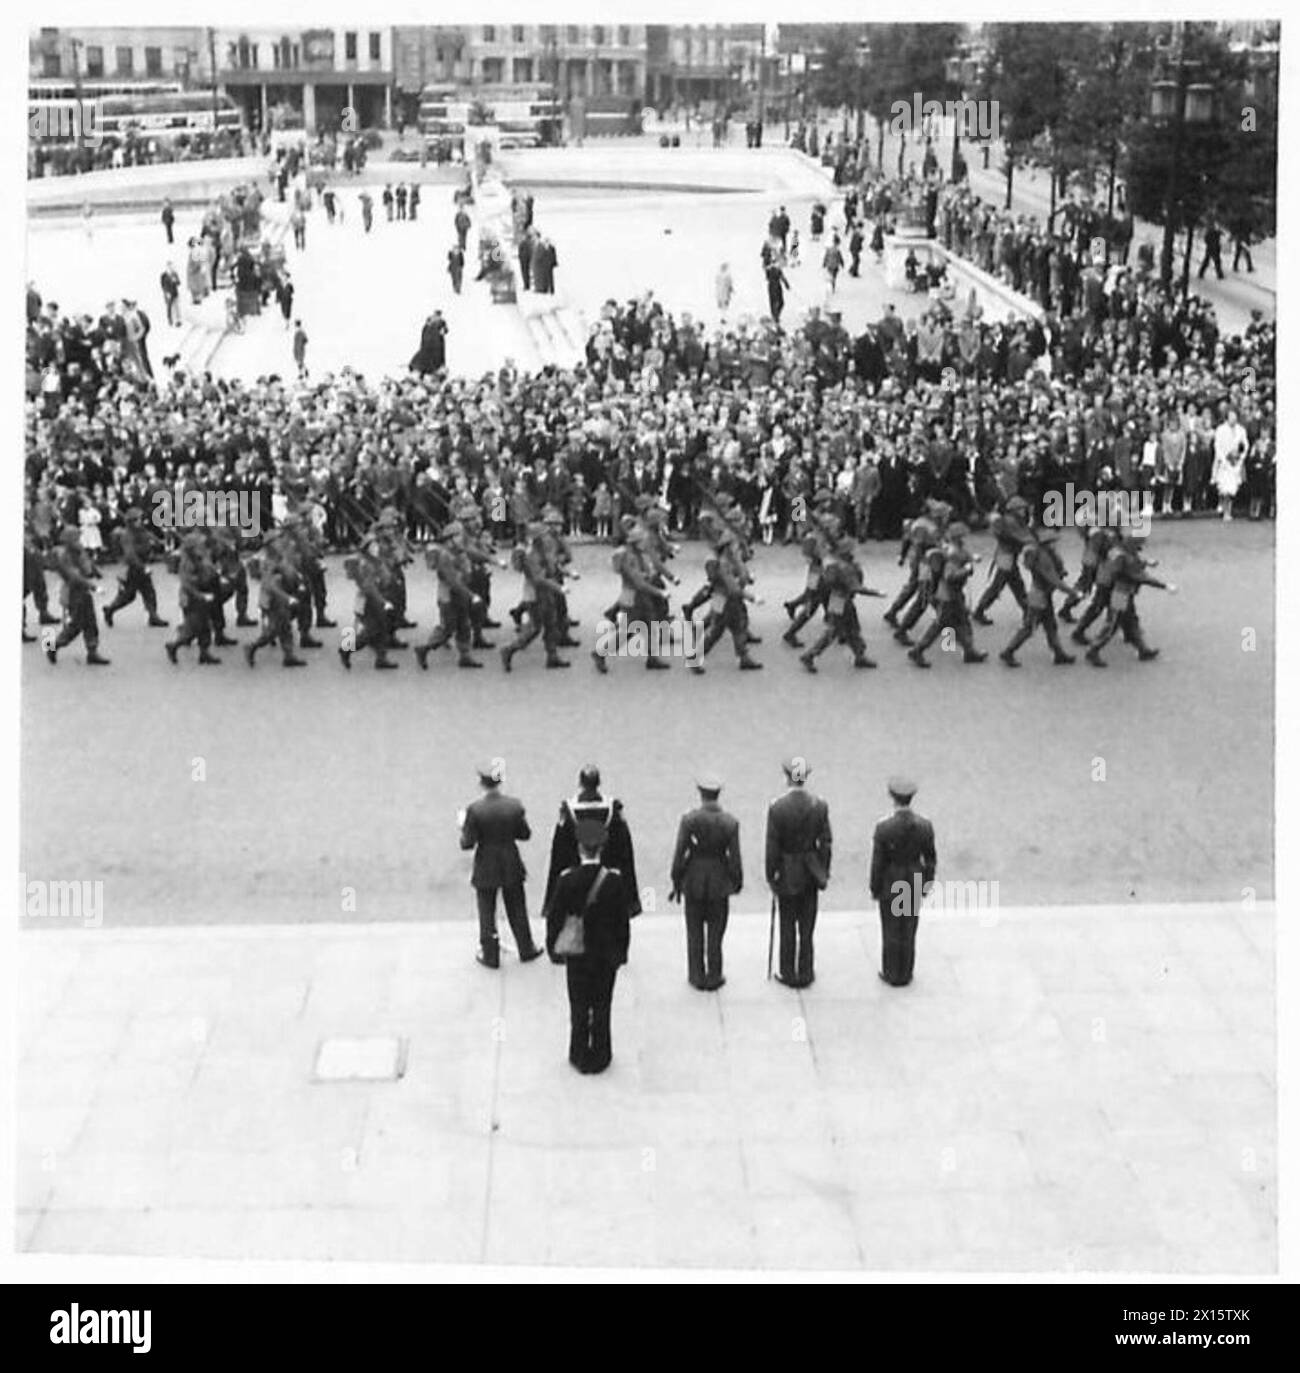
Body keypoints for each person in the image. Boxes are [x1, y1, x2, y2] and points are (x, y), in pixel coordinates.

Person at [546, 819, 634, 1074]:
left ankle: (579, 1053)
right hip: (606, 954)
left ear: (580, 848)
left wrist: (554, 948)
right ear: (602, 848)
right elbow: (622, 921)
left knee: (579, 1004)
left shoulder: (567, 880)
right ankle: (602, 1052)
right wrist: (622, 952)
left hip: (578, 953)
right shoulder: (614, 882)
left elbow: (555, 918)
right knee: (603, 1004)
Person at [460, 761, 543, 968]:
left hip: (486, 863)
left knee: (487, 909)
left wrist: (463, 827)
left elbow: (467, 843)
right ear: (500, 782)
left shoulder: (475, 810)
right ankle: (526, 947)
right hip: (510, 861)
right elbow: (525, 834)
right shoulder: (514, 806)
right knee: (517, 907)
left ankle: (490, 954)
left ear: (482, 783)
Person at [670, 773, 743, 991]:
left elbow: (680, 853)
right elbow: (735, 858)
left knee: (694, 930)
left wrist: (676, 880)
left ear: (701, 794)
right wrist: (736, 882)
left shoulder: (689, 820)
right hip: (719, 881)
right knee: (716, 931)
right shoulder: (730, 822)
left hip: (693, 879)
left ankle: (696, 974)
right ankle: (714, 973)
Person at [764, 756, 831, 988]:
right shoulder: (819, 805)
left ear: (787, 778)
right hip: (811, 871)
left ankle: (787, 971)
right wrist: (822, 871)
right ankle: (806, 970)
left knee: (787, 923)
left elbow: (772, 846)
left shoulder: (777, 807)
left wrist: (771, 874)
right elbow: (826, 842)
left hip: (787, 871)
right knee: (807, 925)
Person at [542, 764, 641, 918]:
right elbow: (624, 848)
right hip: (605, 873)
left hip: (577, 874)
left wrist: (551, 900)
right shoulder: (613, 808)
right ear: (598, 783)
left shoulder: (568, 809)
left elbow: (559, 850)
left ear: (580, 783)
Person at [870, 775, 936, 987]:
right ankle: (906, 971)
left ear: (893, 797)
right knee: (908, 928)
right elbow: (931, 859)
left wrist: (875, 887)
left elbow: (878, 862)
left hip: (892, 881)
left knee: (890, 928)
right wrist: (926, 884)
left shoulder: (884, 827)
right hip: (913, 880)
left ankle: (891, 972)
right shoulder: (925, 826)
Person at [45, 527, 109, 666]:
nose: (79, 541)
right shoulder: (65, 556)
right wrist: (93, 586)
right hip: (74, 593)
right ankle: (53, 647)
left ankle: (92, 652)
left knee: (91, 623)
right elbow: (74, 576)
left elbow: (86, 561)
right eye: (76, 538)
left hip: (83, 592)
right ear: (69, 541)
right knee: (75, 626)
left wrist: (95, 571)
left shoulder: (78, 550)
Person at [103, 508, 168, 629]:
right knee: (127, 596)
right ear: (132, 522)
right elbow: (130, 555)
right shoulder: (127, 535)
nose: (141, 521)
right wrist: (143, 567)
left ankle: (153, 616)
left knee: (149, 593)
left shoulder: (141, 531)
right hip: (132, 569)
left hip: (141, 567)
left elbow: (151, 538)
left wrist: (159, 542)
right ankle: (110, 610)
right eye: (138, 519)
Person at [160, 263, 182, 328]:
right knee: (169, 308)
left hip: (175, 293)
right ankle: (170, 319)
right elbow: (162, 286)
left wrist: (175, 280)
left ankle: (178, 321)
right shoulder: (163, 275)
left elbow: (179, 283)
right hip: (168, 294)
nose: (170, 268)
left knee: (176, 307)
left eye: (171, 267)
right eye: (169, 267)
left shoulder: (174, 274)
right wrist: (166, 293)